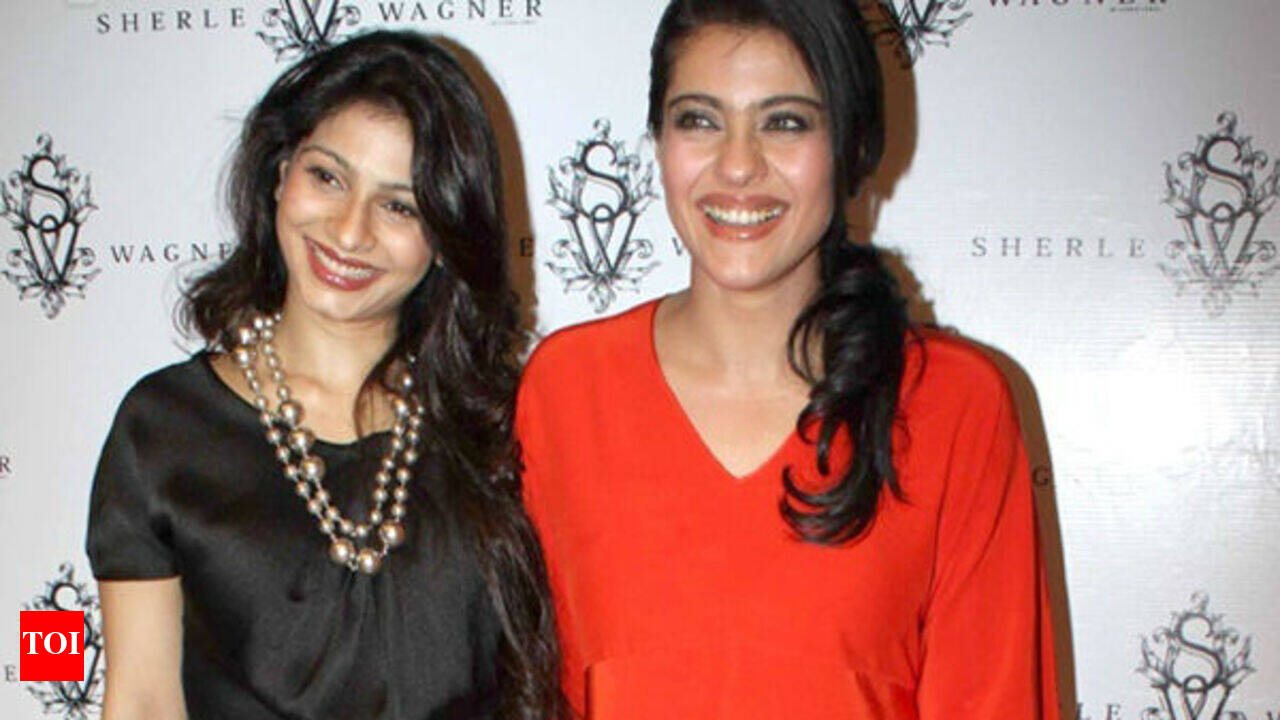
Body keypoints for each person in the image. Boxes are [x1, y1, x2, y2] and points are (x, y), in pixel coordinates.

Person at [515, 1, 1060, 718]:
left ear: (852, 145)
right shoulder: (566, 389)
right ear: (659, 142)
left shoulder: (955, 404)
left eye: (786, 122)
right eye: (699, 120)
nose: (739, 164)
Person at [87, 30, 561, 720]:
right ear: (280, 174)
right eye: (328, 177)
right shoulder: (164, 428)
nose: (348, 231)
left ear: (444, 238)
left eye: (399, 205)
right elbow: (141, 701)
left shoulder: (498, 426)